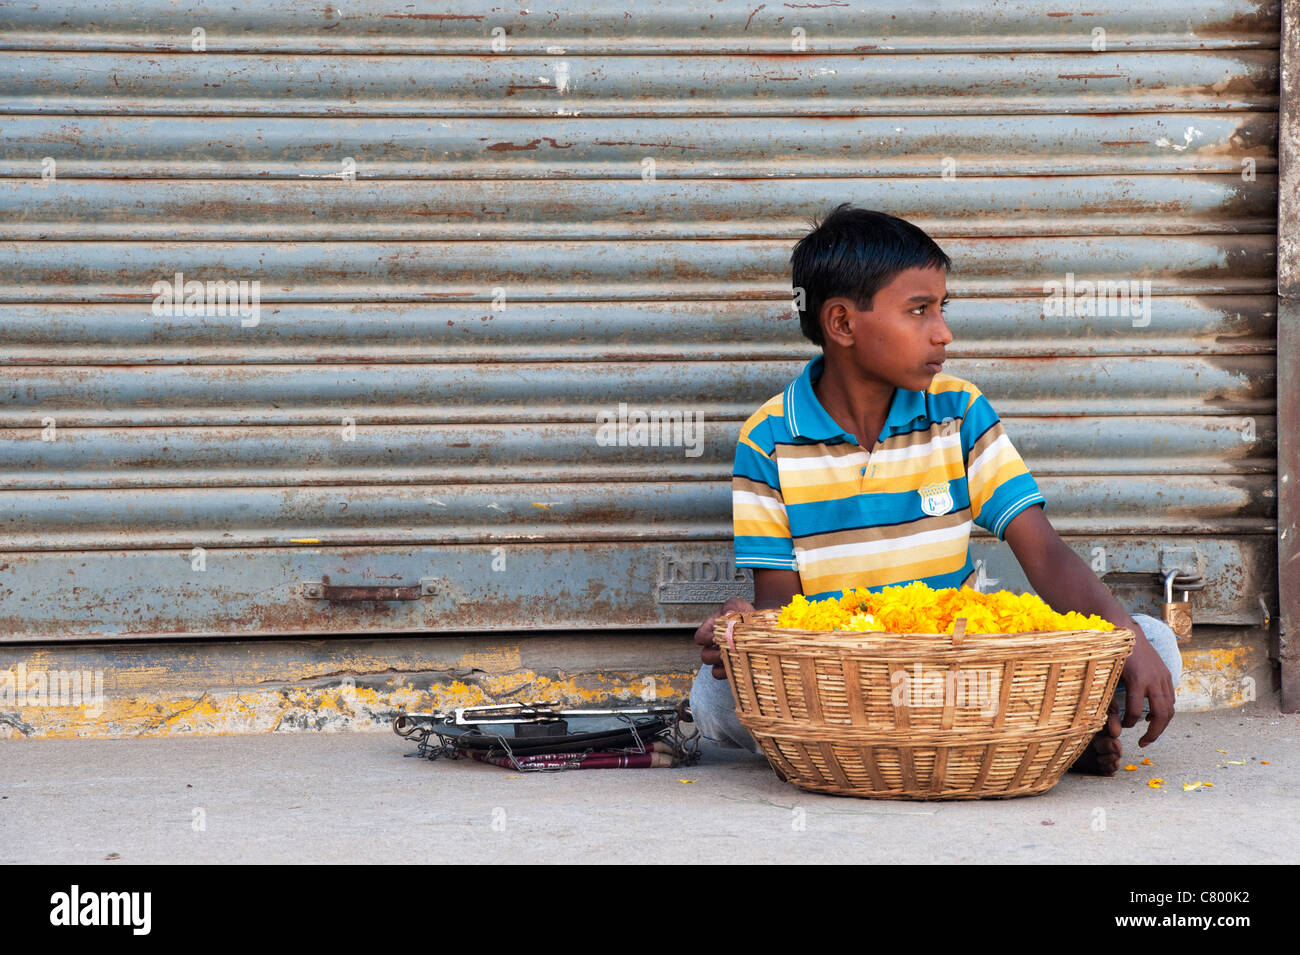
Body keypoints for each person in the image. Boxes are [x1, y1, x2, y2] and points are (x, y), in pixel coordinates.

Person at [691, 204, 1181, 776]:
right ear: (843, 324)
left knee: (1149, 641)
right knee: (715, 697)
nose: (943, 331)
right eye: (919, 310)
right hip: (846, 676)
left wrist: (1126, 639)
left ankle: (981, 737)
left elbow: (1043, 552)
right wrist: (744, 628)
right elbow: (782, 606)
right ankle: (1042, 736)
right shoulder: (769, 439)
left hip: (958, 659)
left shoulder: (959, 410)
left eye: (942, 308)